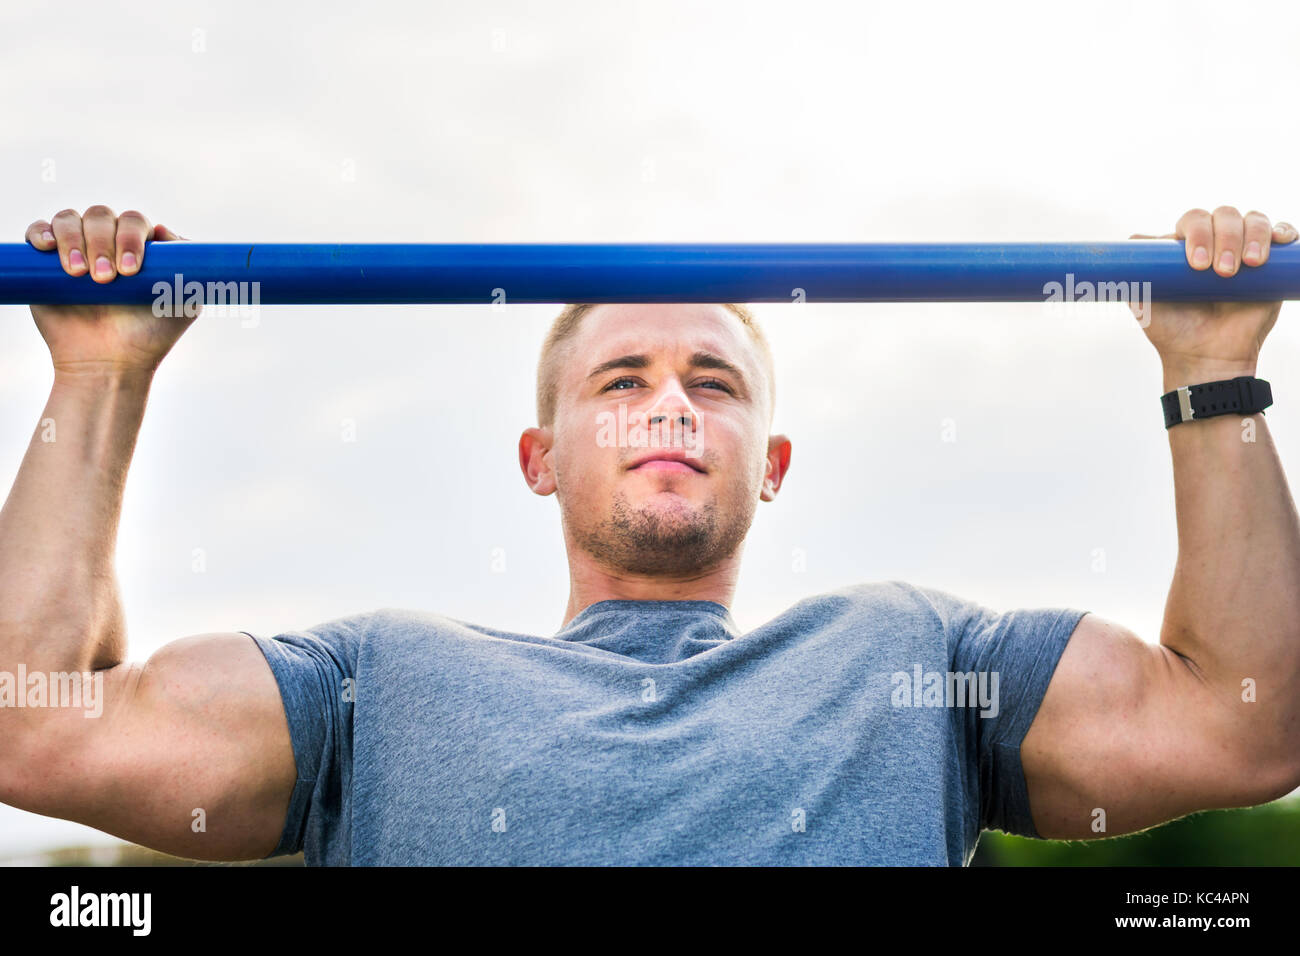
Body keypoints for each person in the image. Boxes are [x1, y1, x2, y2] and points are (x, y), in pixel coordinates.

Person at [2, 205, 1298, 865]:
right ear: (540, 457)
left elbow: (1243, 723)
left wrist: (1214, 368)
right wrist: (99, 378)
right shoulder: (372, 685)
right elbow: (36, 721)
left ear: (771, 463)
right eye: (621, 380)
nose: (670, 401)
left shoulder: (917, 661)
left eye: (714, 383)